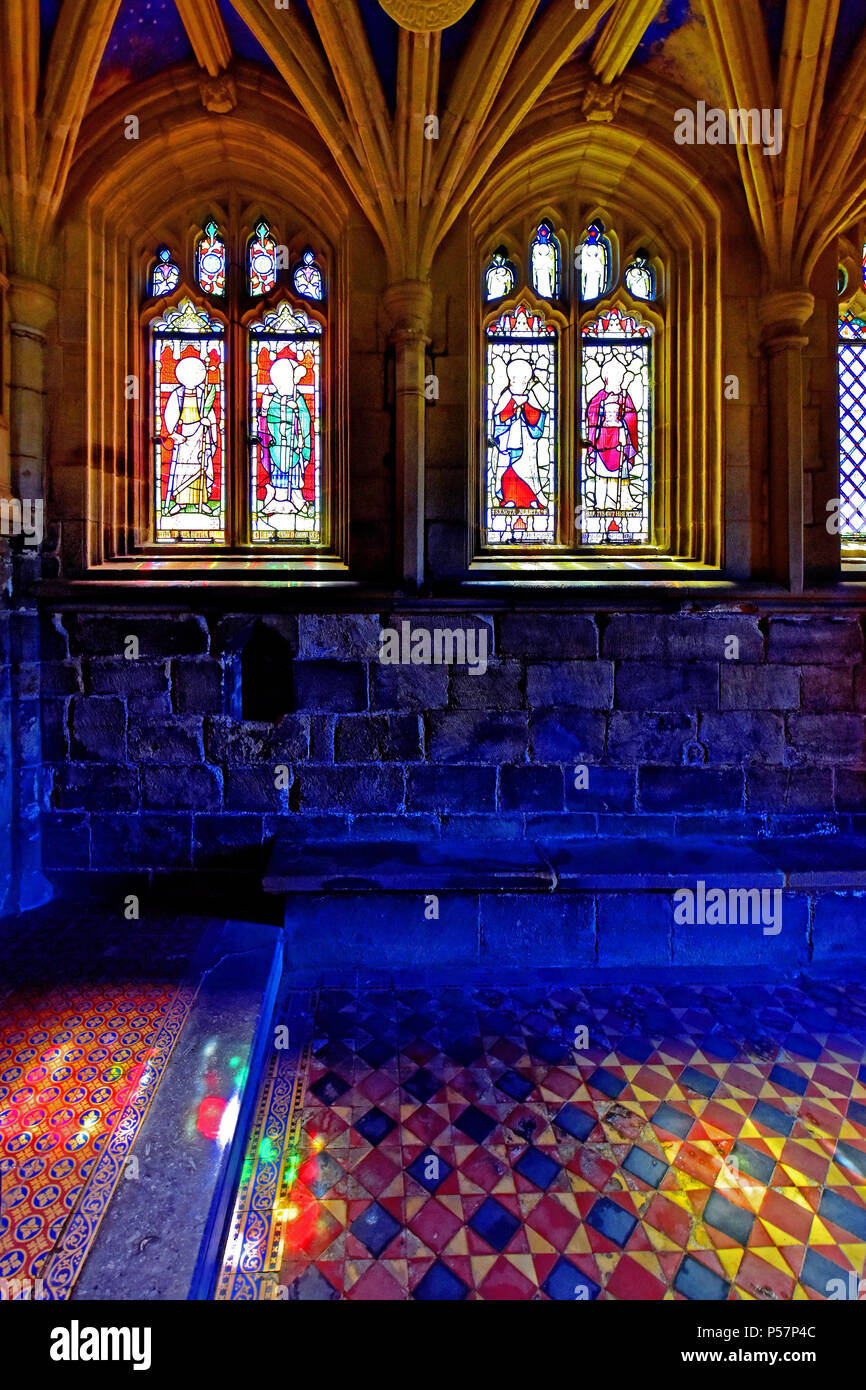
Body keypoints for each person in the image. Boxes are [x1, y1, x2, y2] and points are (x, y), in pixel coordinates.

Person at [584, 357, 642, 533]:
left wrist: (623, 422)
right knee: (602, 476)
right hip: (602, 441)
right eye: (614, 377)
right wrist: (604, 417)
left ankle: (623, 502)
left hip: (620, 441)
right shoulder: (598, 398)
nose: (618, 380)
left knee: (621, 476)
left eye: (620, 377)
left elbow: (632, 417)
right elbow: (591, 414)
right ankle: (602, 504)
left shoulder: (625, 397)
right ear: (606, 378)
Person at [259, 357, 313, 523]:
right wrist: (265, 406)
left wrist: (296, 411)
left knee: (294, 476)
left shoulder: (298, 398)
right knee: (276, 476)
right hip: (276, 447)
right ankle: (277, 502)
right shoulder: (271, 399)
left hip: (293, 446)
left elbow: (305, 418)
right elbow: (263, 422)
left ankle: (296, 502)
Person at [492, 355, 549, 510]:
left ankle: (530, 498)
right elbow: (499, 416)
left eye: (525, 381)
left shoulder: (529, 397)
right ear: (511, 380)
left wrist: (525, 408)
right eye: (519, 381)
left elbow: (538, 415)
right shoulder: (506, 396)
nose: (523, 385)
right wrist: (513, 408)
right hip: (507, 442)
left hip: (526, 441)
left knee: (528, 469)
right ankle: (509, 498)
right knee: (509, 470)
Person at [163, 355, 217, 515]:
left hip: (200, 436)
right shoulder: (177, 395)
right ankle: (180, 502)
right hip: (184, 438)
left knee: (201, 468)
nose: (192, 378)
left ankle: (202, 501)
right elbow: (169, 417)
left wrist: (209, 424)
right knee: (182, 470)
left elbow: (211, 418)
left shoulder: (204, 394)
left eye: (196, 374)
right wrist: (174, 435)